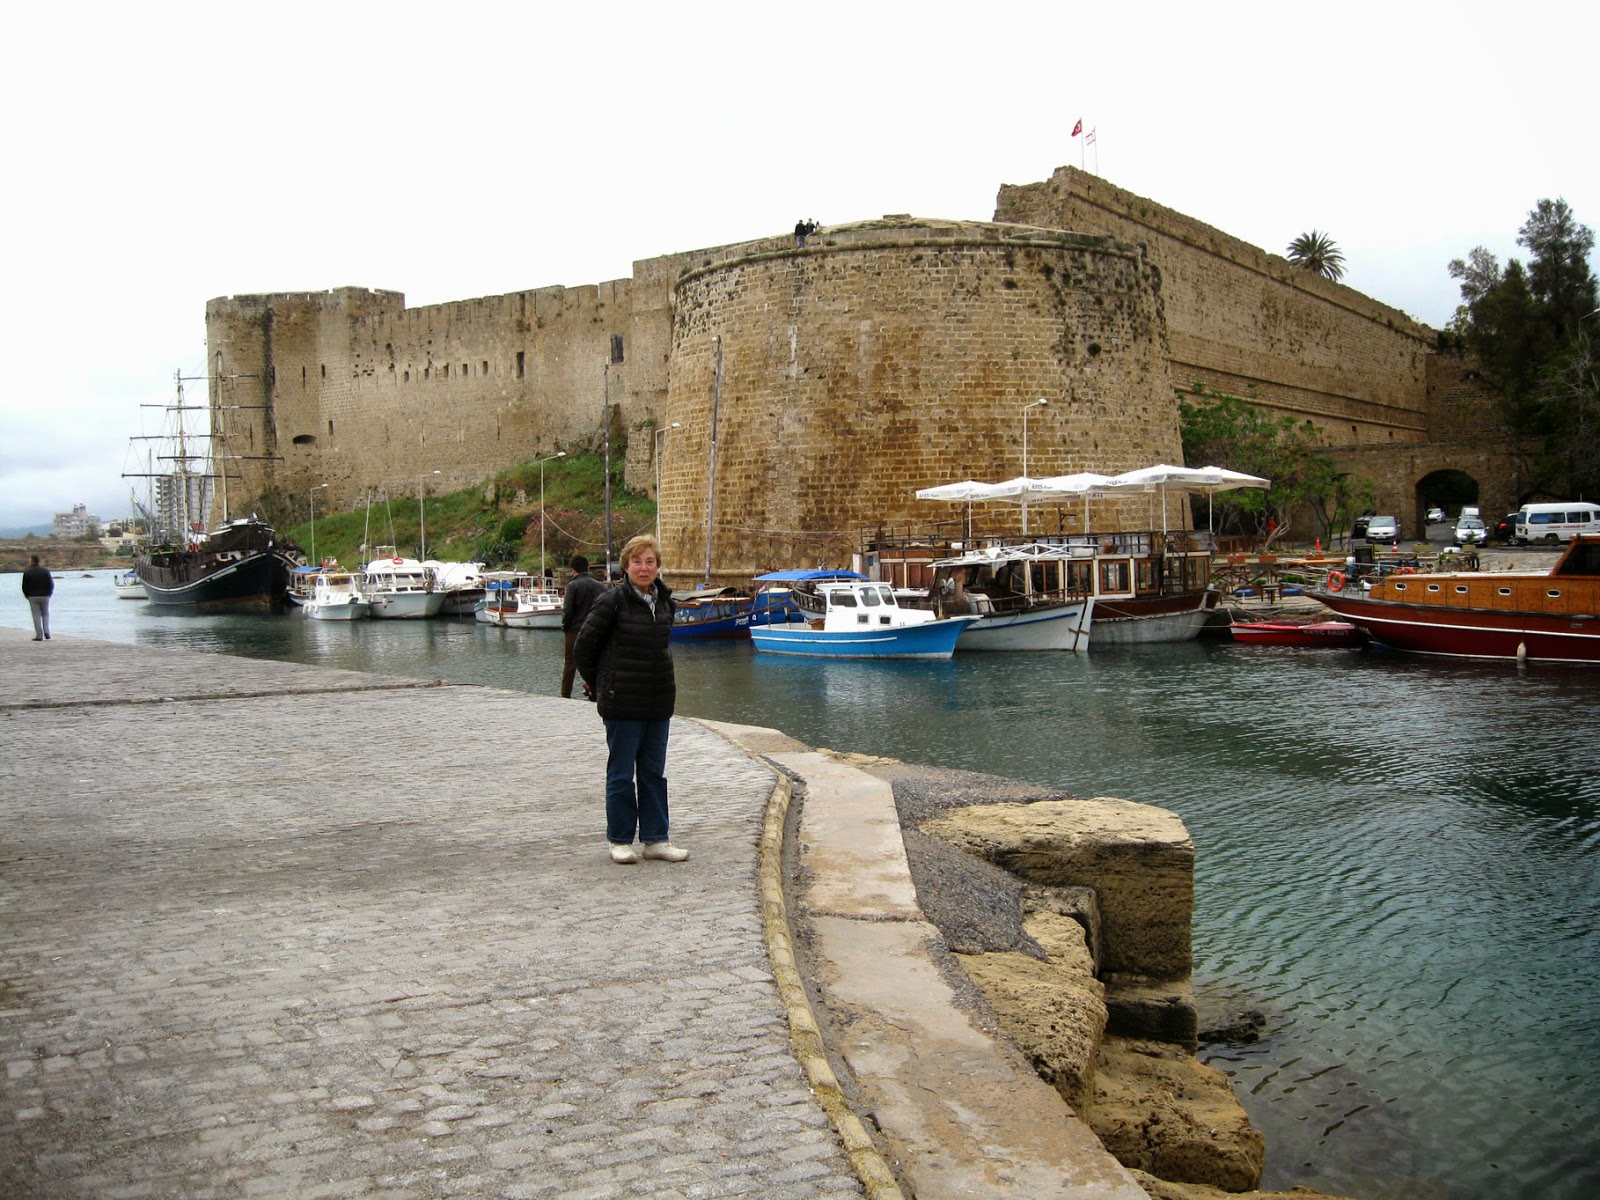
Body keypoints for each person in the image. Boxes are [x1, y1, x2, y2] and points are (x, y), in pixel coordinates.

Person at [574, 534, 688, 865]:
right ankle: (620, 839)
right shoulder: (611, 602)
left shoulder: (665, 602)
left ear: (657, 566)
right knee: (622, 774)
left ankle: (656, 839)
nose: (643, 567)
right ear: (626, 565)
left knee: (654, 773)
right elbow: (584, 647)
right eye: (637, 561)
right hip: (622, 701)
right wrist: (600, 684)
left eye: (650, 561)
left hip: (658, 701)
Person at [560, 554, 605, 700]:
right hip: (594, 630)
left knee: (570, 663)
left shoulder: (572, 586)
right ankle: (595, 692)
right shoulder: (600, 586)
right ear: (588, 568)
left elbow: (567, 611)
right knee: (594, 662)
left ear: (573, 570)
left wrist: (565, 626)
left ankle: (566, 694)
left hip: (574, 630)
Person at [21, 555, 54, 641]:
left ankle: (39, 635)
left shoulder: (27, 572)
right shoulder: (46, 571)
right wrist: (49, 593)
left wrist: (27, 595)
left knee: (36, 615)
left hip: (32, 596)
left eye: (29, 560)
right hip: (45, 596)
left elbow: (24, 586)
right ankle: (47, 631)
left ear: (32, 561)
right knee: (45, 614)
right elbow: (51, 584)